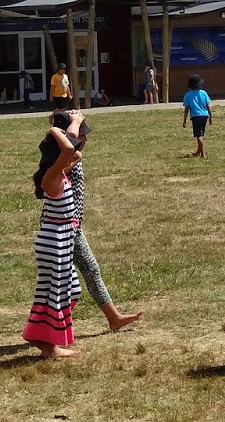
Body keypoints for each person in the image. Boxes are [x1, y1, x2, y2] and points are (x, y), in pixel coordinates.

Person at [52, 109, 142, 333]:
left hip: (73, 225)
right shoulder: (63, 157)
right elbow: (63, 159)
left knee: (81, 274)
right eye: (81, 134)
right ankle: (54, 327)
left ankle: (113, 317)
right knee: (70, 279)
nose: (85, 138)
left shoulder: (69, 155)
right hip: (64, 227)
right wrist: (71, 126)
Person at [24, 118, 82, 358]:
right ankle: (47, 344)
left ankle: (46, 335)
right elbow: (69, 149)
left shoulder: (59, 172)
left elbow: (74, 152)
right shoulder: (52, 176)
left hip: (62, 240)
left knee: (73, 290)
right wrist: (53, 129)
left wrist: (75, 124)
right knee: (53, 293)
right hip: (54, 241)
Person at [181, 74, 212, 156]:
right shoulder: (204, 93)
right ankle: (198, 152)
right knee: (201, 134)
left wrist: (184, 120)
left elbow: (186, 109)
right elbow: (207, 105)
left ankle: (203, 153)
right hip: (205, 115)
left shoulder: (187, 95)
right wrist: (210, 116)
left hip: (195, 116)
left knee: (198, 135)